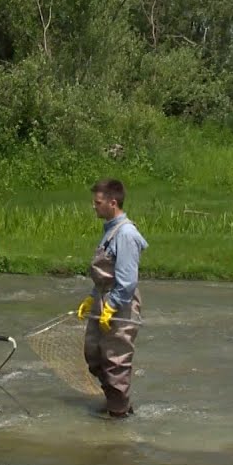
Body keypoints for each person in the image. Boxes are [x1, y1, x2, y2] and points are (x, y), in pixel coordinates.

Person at [77, 178, 148, 418]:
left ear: (113, 203)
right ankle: (117, 403)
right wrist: (91, 298)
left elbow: (127, 281)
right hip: (103, 299)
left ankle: (118, 416)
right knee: (93, 355)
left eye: (97, 202)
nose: (93, 206)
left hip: (122, 305)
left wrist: (111, 307)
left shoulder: (126, 233)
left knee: (115, 361)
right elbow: (105, 275)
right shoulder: (110, 230)